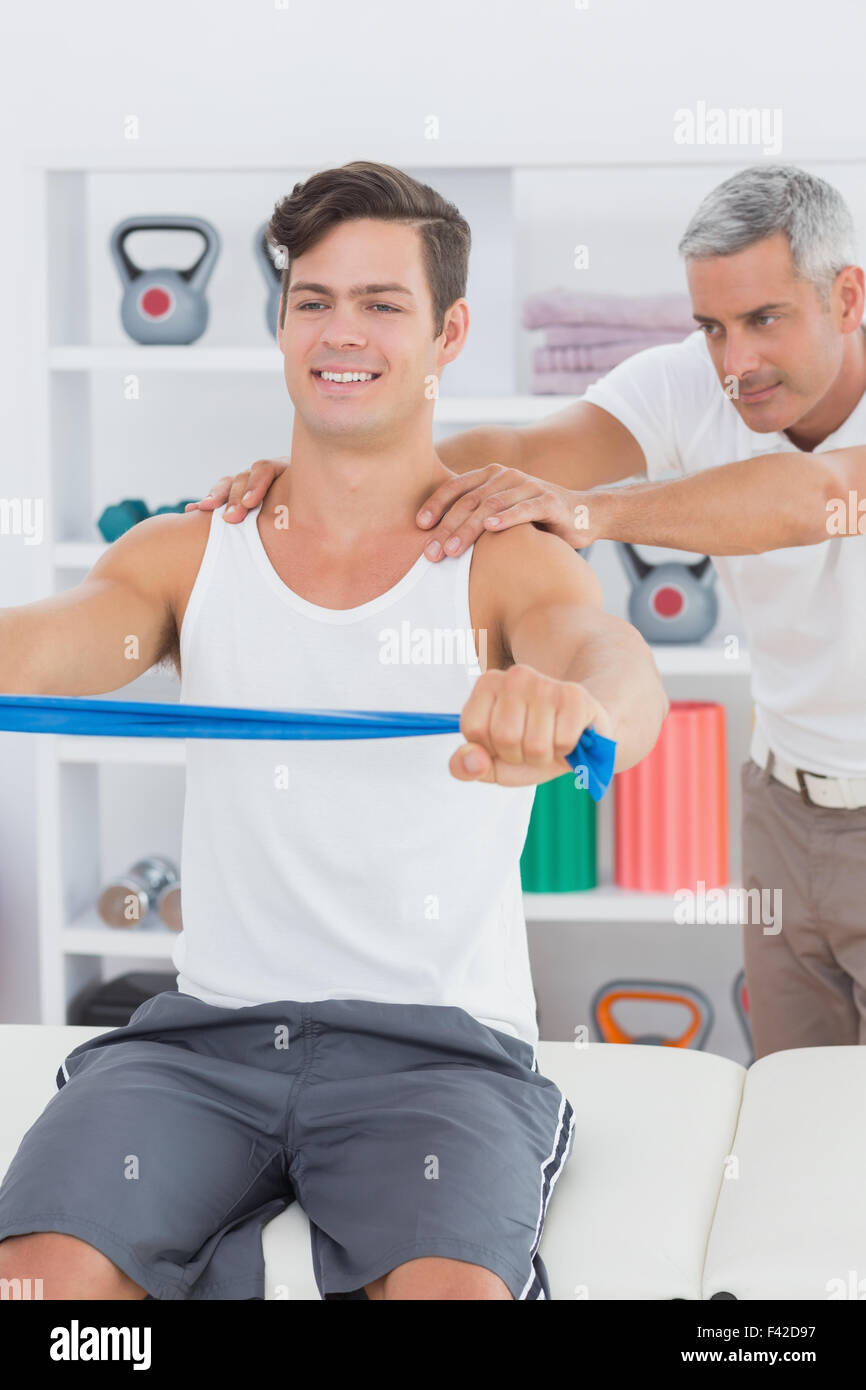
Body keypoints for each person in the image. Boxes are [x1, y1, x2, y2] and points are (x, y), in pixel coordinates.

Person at [0, 161, 666, 1301]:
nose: (338, 331)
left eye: (380, 303)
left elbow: (611, 663)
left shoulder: (506, 558)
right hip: (203, 1048)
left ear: (448, 332)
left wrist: (573, 708)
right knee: (39, 1287)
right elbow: (49, 642)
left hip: (439, 1060)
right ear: (279, 321)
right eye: (312, 300)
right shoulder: (185, 551)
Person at [204, 164, 866, 1063]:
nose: (734, 363)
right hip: (782, 806)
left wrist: (597, 510)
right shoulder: (693, 380)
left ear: (847, 296)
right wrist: (314, 479)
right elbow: (519, 452)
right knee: (800, 1102)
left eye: (763, 321)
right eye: (711, 327)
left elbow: (816, 494)